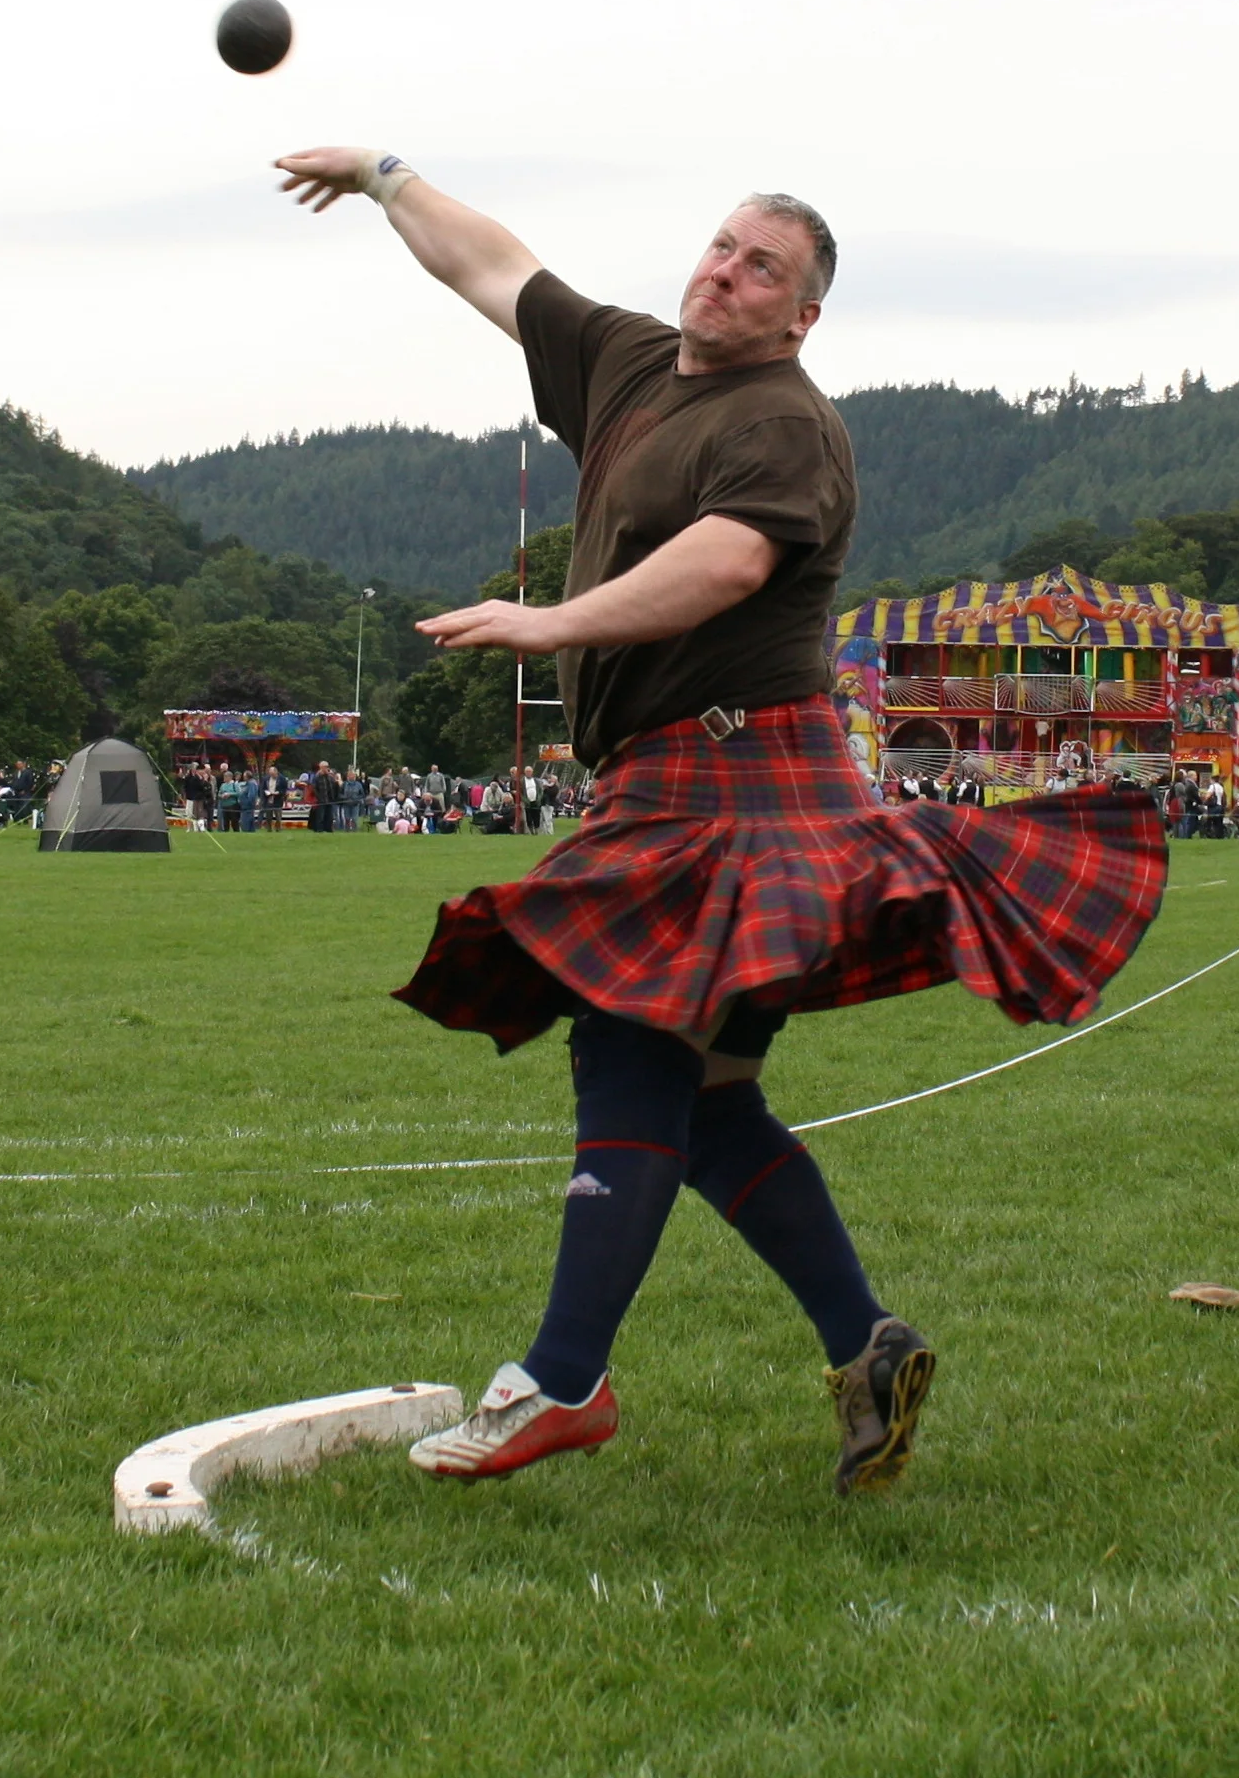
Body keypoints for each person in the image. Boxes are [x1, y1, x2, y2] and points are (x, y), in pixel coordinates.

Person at [275, 143, 1165, 1497]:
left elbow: (724, 562)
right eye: (722, 245)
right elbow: (495, 268)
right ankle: (865, 1343)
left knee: (630, 1059)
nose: (726, 272)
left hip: (745, 785)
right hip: (674, 782)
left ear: (800, 315)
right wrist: (388, 175)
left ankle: (562, 1378)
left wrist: (550, 621)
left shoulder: (784, 423)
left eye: (764, 269)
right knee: (710, 1098)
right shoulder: (630, 361)